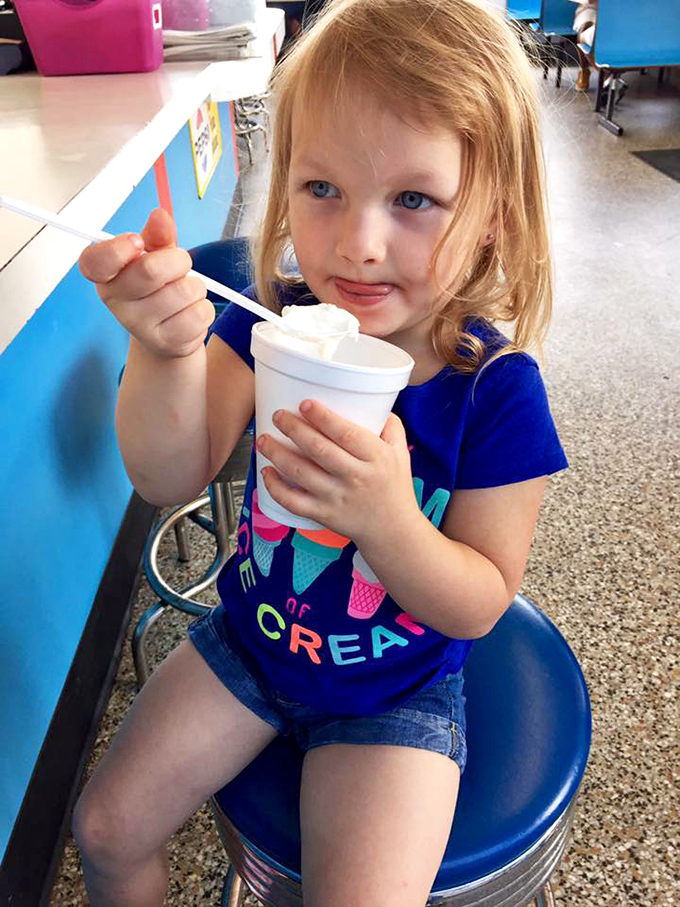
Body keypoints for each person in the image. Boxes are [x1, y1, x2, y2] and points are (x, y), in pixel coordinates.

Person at [72, 0, 568, 904]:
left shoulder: (497, 393)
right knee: (103, 830)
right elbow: (169, 473)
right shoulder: (273, 326)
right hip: (251, 644)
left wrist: (386, 518)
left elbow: (481, 600)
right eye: (322, 189)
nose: (357, 245)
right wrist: (166, 353)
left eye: (413, 200)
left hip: (398, 692)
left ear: (492, 214)